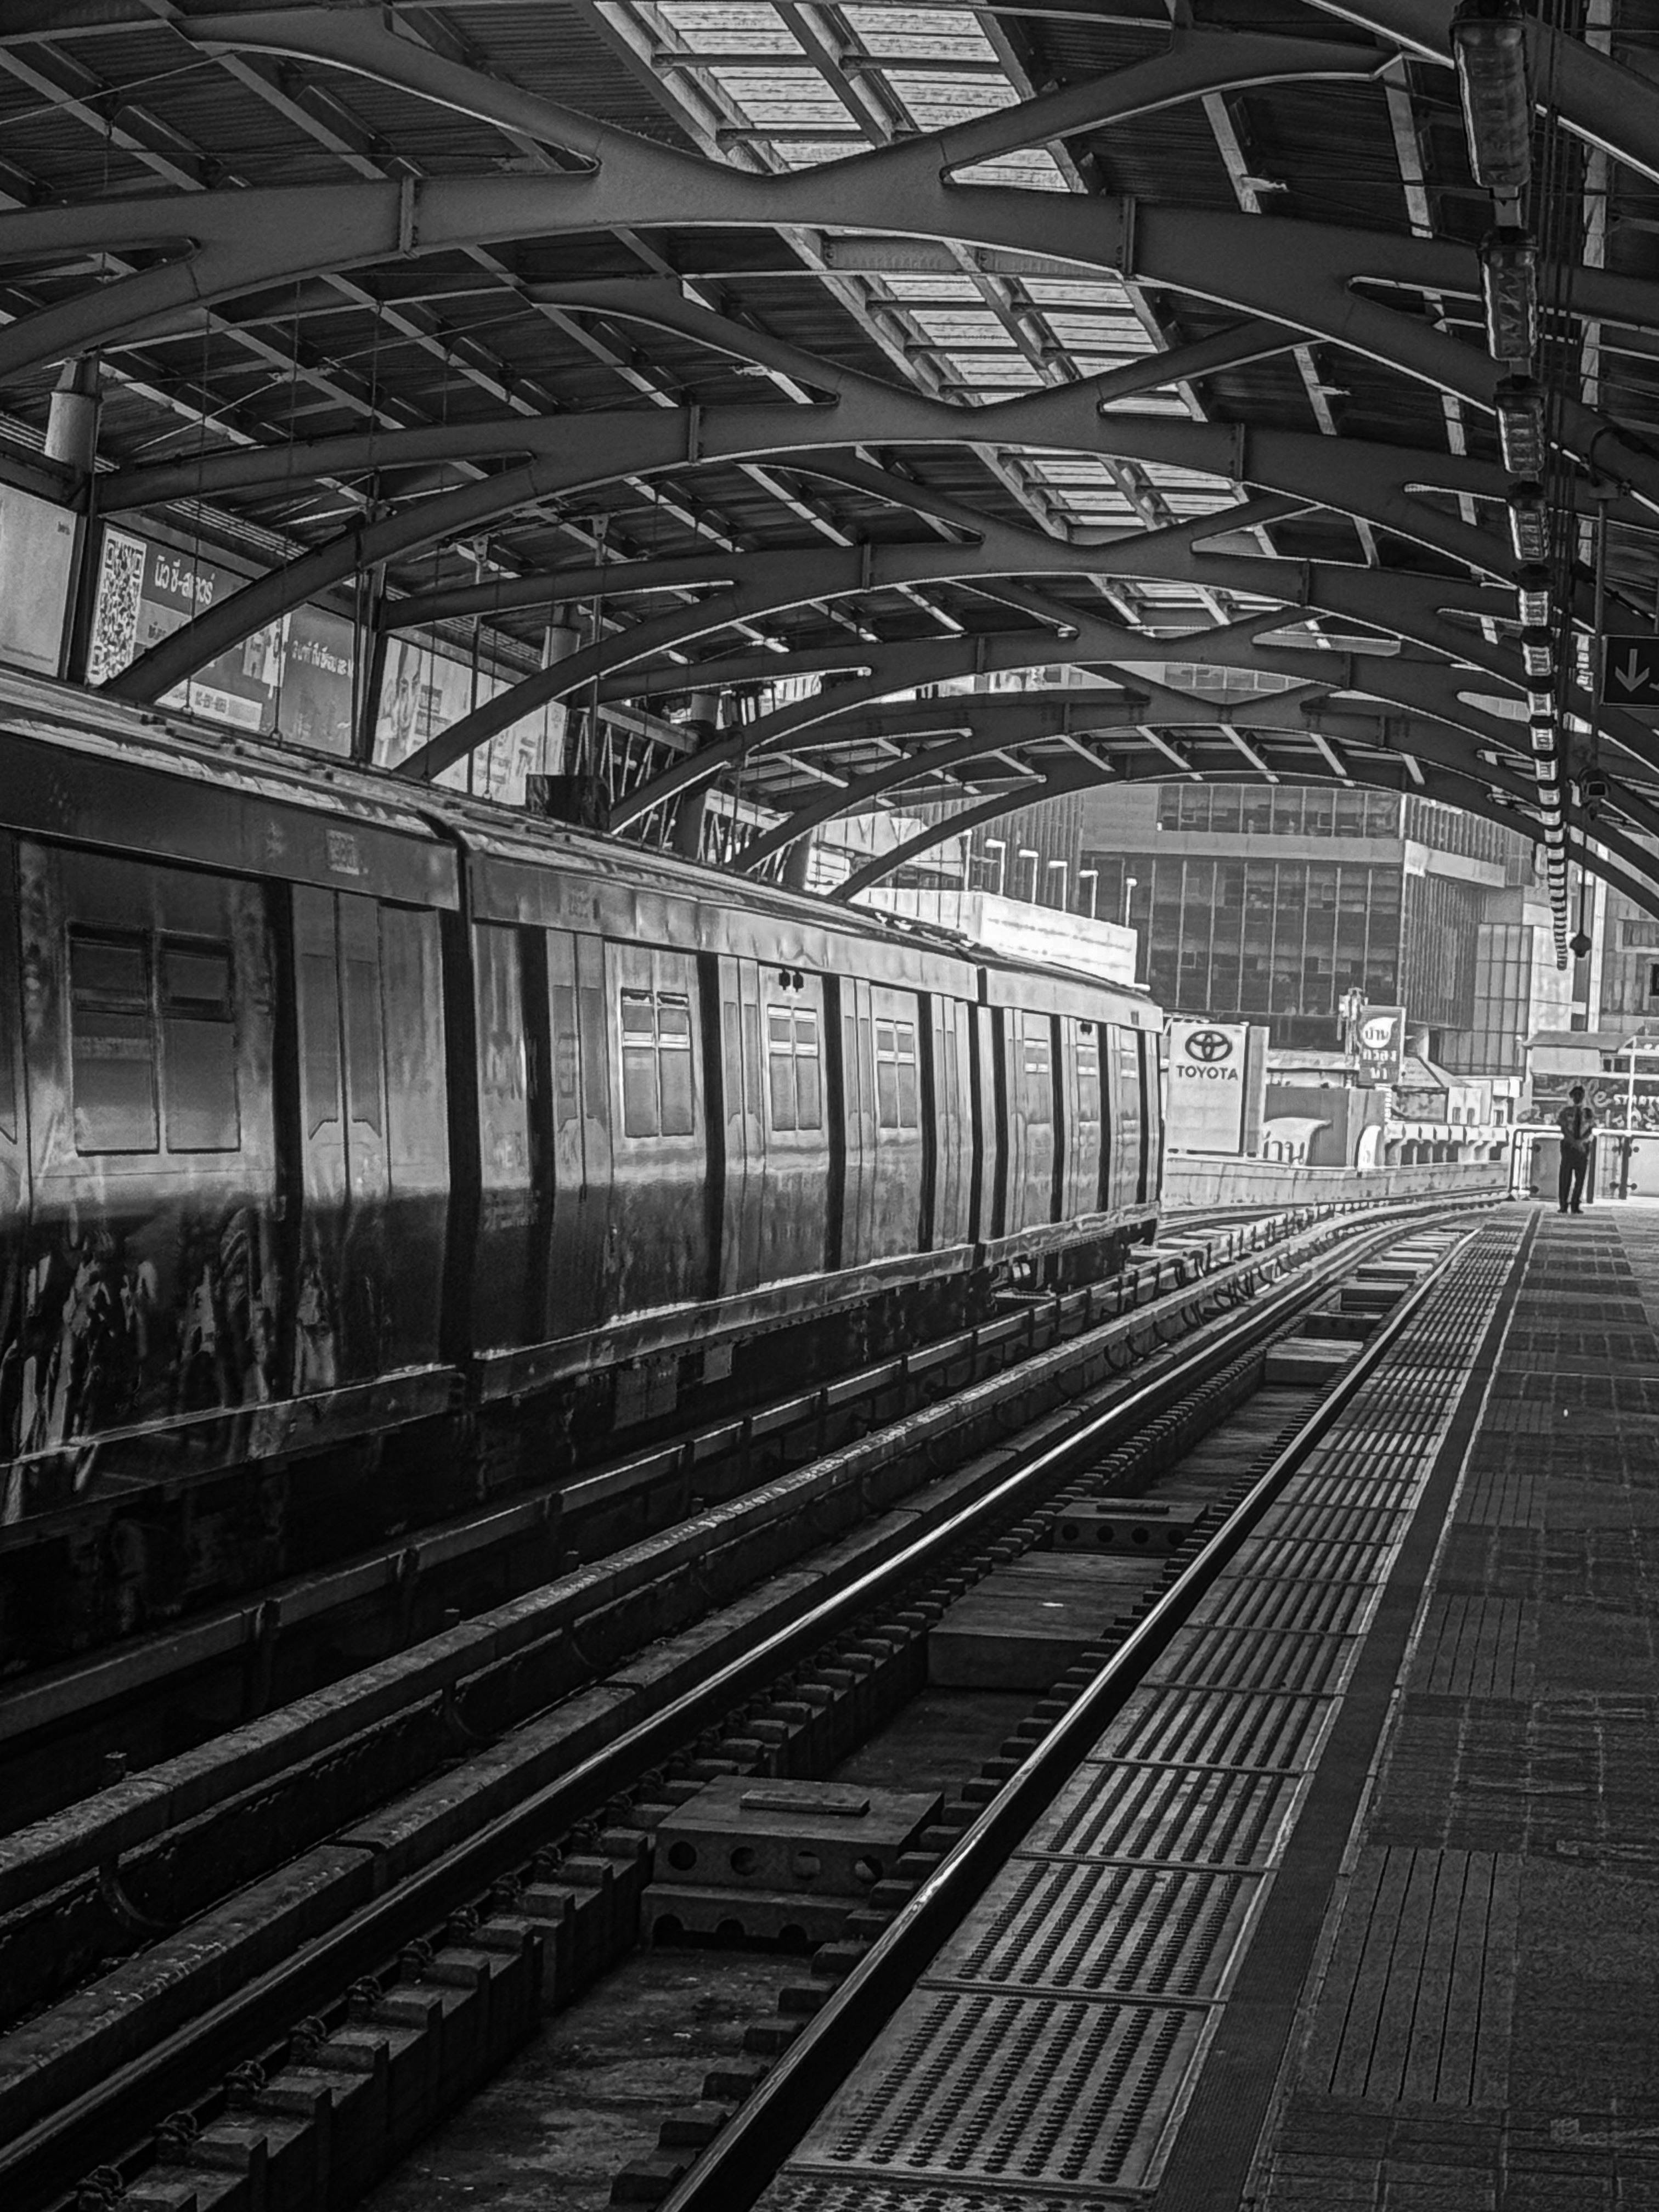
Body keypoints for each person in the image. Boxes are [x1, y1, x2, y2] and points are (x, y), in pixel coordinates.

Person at [1556, 1085, 1596, 1214]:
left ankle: (1575, 1204)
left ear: (1583, 1097)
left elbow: (1590, 1130)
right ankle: (1563, 1205)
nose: (1578, 1098)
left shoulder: (1588, 1112)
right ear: (1572, 1097)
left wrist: (1580, 1142)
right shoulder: (1566, 1112)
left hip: (1583, 1148)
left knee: (1580, 1178)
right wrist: (1573, 1142)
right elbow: (1564, 1128)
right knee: (1565, 1178)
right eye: (1576, 1095)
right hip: (1569, 1147)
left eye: (1580, 1095)